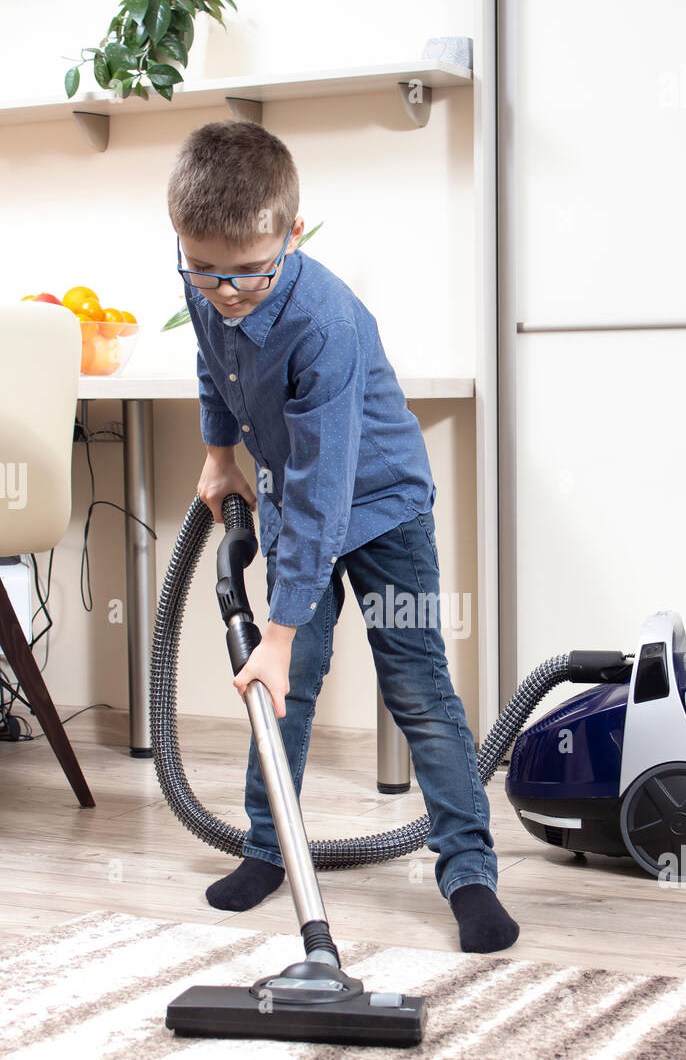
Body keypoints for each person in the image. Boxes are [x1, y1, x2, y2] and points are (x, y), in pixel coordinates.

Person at [167, 120, 518, 954]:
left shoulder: (324, 323)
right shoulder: (204, 279)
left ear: (293, 232)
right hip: (296, 502)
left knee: (417, 689)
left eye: (248, 271)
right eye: (203, 268)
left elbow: (329, 485)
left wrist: (281, 631)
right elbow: (213, 366)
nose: (225, 290)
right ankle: (268, 848)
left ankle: (468, 869)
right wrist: (221, 454)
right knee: (277, 689)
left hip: (383, 510)